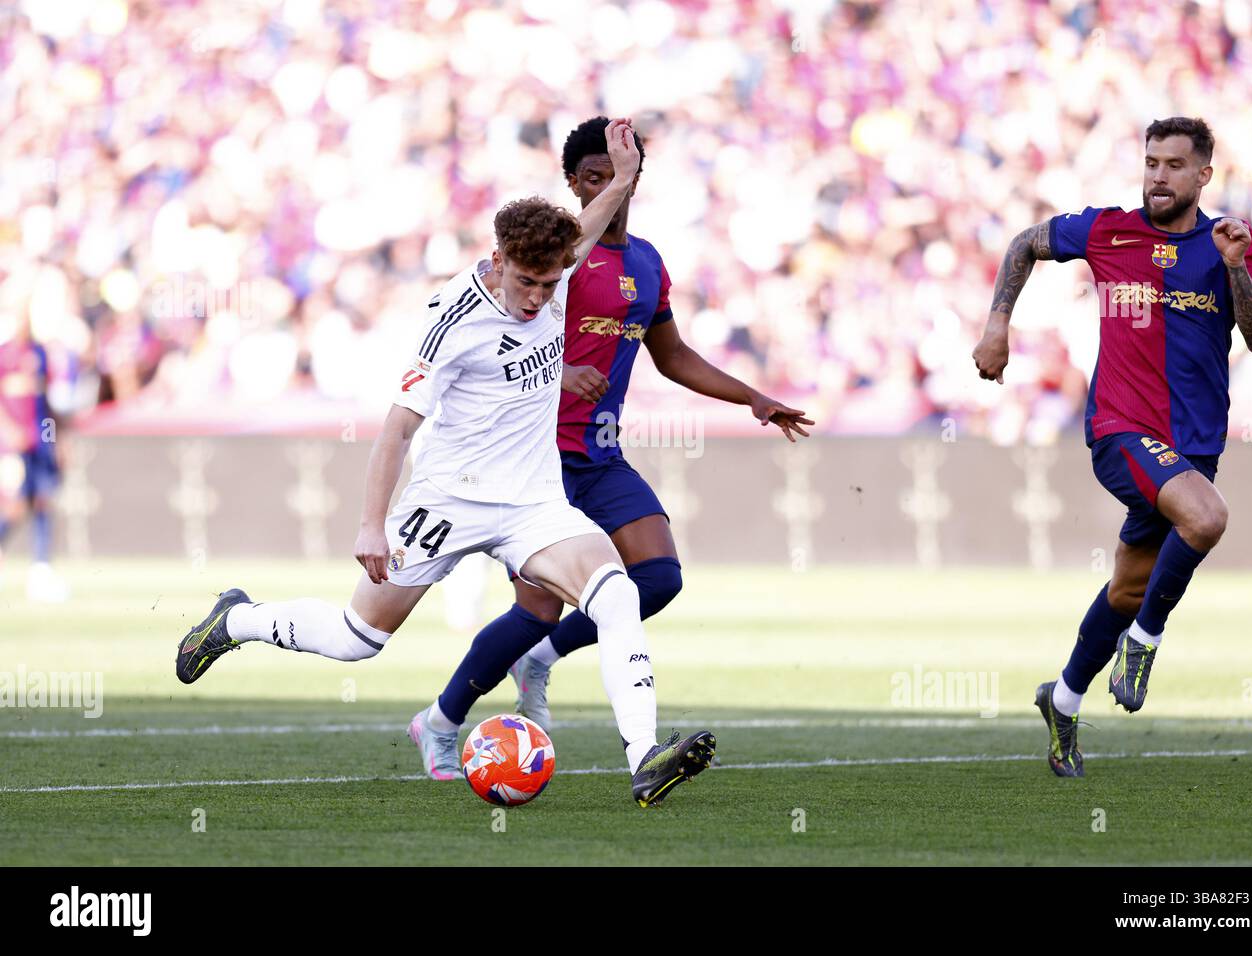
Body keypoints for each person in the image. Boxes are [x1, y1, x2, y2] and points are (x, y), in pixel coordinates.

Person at [176, 120, 715, 808]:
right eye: (525, 282)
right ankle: (237, 619)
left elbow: (596, 215)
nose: (536, 299)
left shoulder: (557, 263)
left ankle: (645, 760)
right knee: (355, 639)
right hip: (446, 502)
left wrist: (627, 173)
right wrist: (372, 525)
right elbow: (396, 430)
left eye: (550, 286)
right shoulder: (449, 321)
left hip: (531, 503)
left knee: (616, 595)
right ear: (496, 259)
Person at [414, 116, 814, 778]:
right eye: (594, 179)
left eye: (620, 177)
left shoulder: (647, 263)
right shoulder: (559, 264)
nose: (611, 190)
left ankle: (541, 660)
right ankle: (439, 722)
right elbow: (503, 338)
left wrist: (753, 397)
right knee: (536, 609)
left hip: (599, 456)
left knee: (659, 578)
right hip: (534, 459)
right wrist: (561, 371)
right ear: (573, 185)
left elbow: (673, 354)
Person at [972, 117, 1252, 777]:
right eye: (1150, 162)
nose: (1157, 176)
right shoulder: (1108, 228)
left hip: (1192, 448)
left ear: (1203, 176)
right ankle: (1146, 641)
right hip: (1120, 430)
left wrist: (1236, 273)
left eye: (1172, 165)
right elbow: (1025, 243)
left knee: (1129, 586)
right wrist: (998, 328)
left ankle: (1064, 697)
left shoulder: (1232, 245)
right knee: (1208, 516)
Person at [0, 317, 68, 602]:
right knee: (15, 505)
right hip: (14, 444)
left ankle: (41, 567)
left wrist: (56, 439)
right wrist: (7, 431)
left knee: (42, 499)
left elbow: (46, 401)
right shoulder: (5, 354)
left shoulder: (40, 354)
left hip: (40, 442)